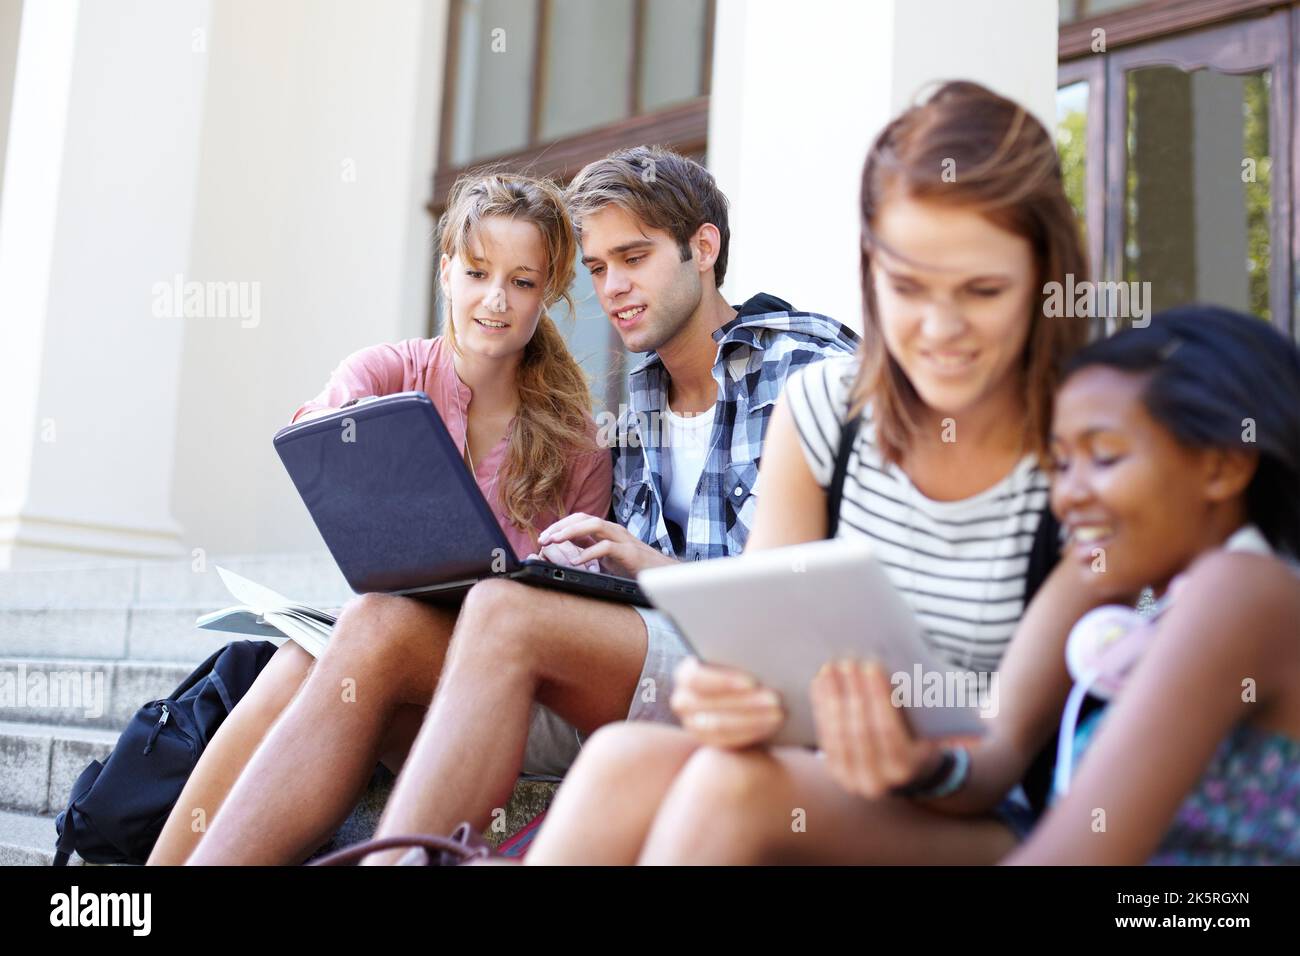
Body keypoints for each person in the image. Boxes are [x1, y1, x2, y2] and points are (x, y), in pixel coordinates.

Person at [175, 147, 857, 865]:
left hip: (750, 673)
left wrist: (648, 566)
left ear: (704, 247)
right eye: (597, 269)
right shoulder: (643, 396)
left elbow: (810, 596)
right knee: (366, 626)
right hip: (629, 655)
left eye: (634, 257)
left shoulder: (804, 362)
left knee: (500, 609)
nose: (615, 287)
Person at [525, 80, 1095, 865]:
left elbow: (999, 755)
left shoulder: (1086, 451)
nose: (939, 329)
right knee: (622, 761)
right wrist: (725, 695)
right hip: (824, 772)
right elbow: (759, 652)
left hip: (990, 808)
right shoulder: (825, 408)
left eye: (983, 290)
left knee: (734, 791)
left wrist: (923, 760)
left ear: (1044, 275)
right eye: (906, 287)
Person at [148, 171, 609, 864]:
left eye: (521, 281)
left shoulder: (577, 439)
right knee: (299, 656)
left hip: (501, 683)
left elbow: (581, 596)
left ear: (546, 294)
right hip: (400, 666)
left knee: (346, 640)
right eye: (478, 272)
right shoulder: (391, 369)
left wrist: (565, 568)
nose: (494, 299)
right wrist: (346, 432)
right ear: (447, 271)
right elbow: (317, 425)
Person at [1005, 306, 1300, 864]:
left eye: (1105, 456)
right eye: (1062, 463)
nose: (1067, 495)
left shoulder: (1241, 590)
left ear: (1223, 467)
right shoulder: (1183, 595)